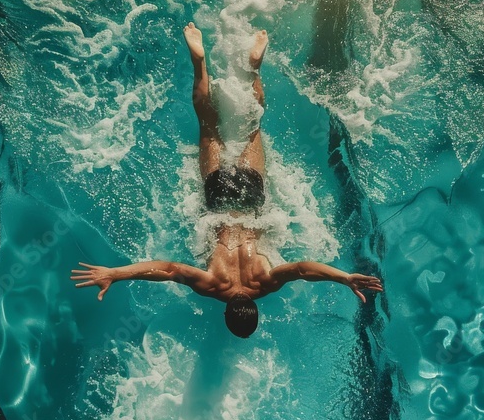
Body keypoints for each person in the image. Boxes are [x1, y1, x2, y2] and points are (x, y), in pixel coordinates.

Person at [71, 23, 383, 338]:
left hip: (250, 195)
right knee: (207, 124)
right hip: (218, 197)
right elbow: (168, 270)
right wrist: (114, 273)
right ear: (226, 312)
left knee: (253, 126)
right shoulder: (213, 285)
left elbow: (303, 269)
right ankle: (199, 62)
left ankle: (253, 69)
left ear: (254, 308)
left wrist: (345, 278)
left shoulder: (264, 282)